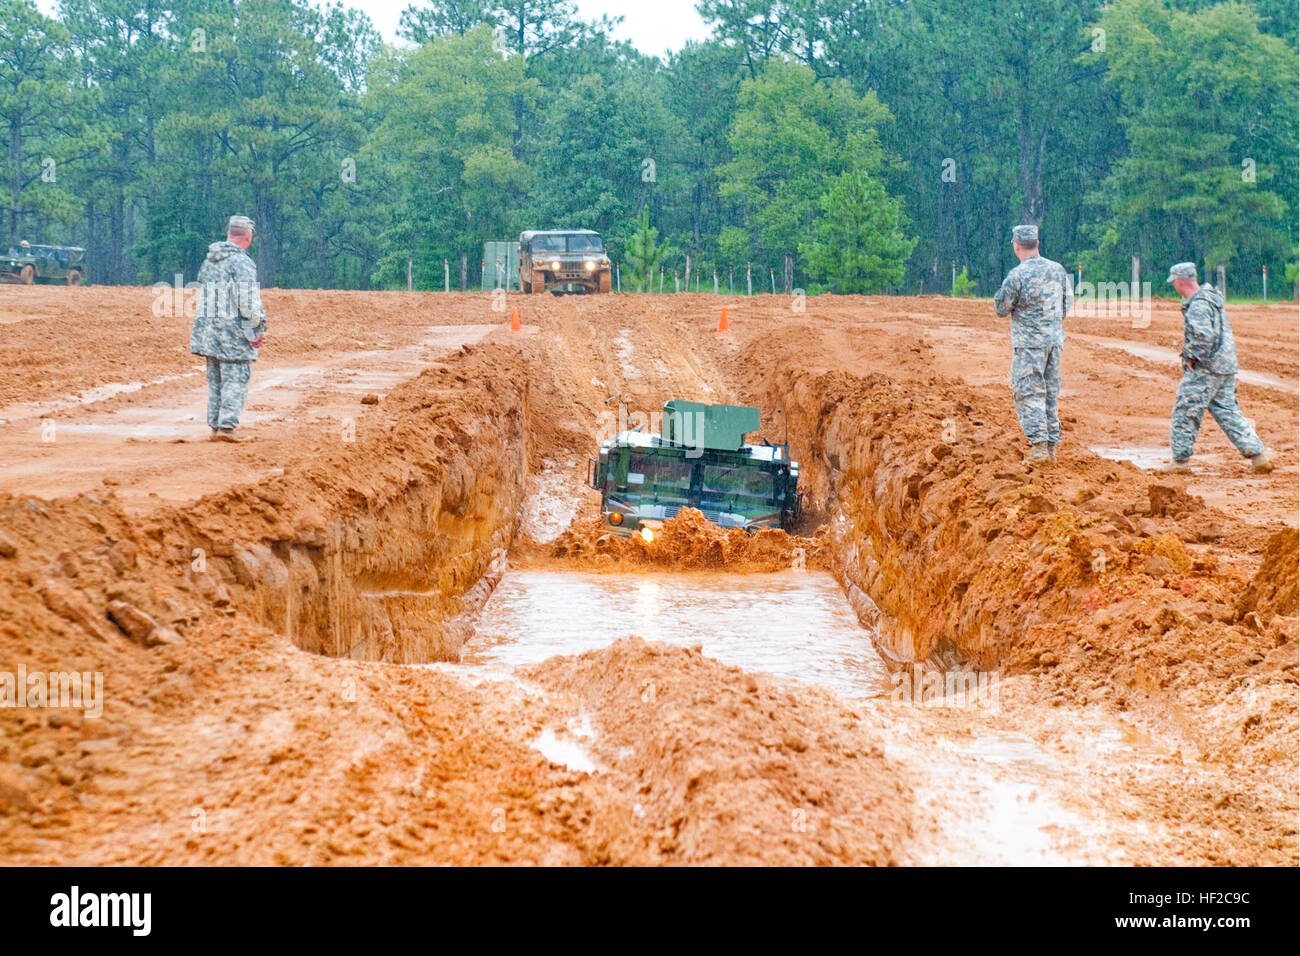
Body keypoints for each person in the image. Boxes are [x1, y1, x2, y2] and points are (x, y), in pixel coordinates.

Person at [1160, 262, 1273, 474]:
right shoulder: (1212, 298)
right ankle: (1259, 456)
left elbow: (1204, 337)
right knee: (1228, 411)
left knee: (1185, 410)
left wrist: (1191, 356)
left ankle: (1180, 461)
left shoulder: (1199, 305)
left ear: (1179, 281)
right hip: (1225, 365)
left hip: (1207, 367)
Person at [993, 224, 1073, 465]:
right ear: (1037, 244)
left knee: (1029, 393)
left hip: (1029, 346)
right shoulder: (1057, 270)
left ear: (1016, 246)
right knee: (1049, 394)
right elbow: (1067, 302)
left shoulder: (1017, 275)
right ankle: (1050, 448)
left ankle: (1039, 449)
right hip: (1054, 343)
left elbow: (1001, 309)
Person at [190, 215, 266, 442]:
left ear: (229, 233)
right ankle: (227, 427)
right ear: (248, 236)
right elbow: (247, 298)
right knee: (235, 378)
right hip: (233, 332)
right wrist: (257, 326)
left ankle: (215, 426)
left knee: (215, 380)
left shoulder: (210, 260)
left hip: (208, 331)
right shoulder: (241, 262)